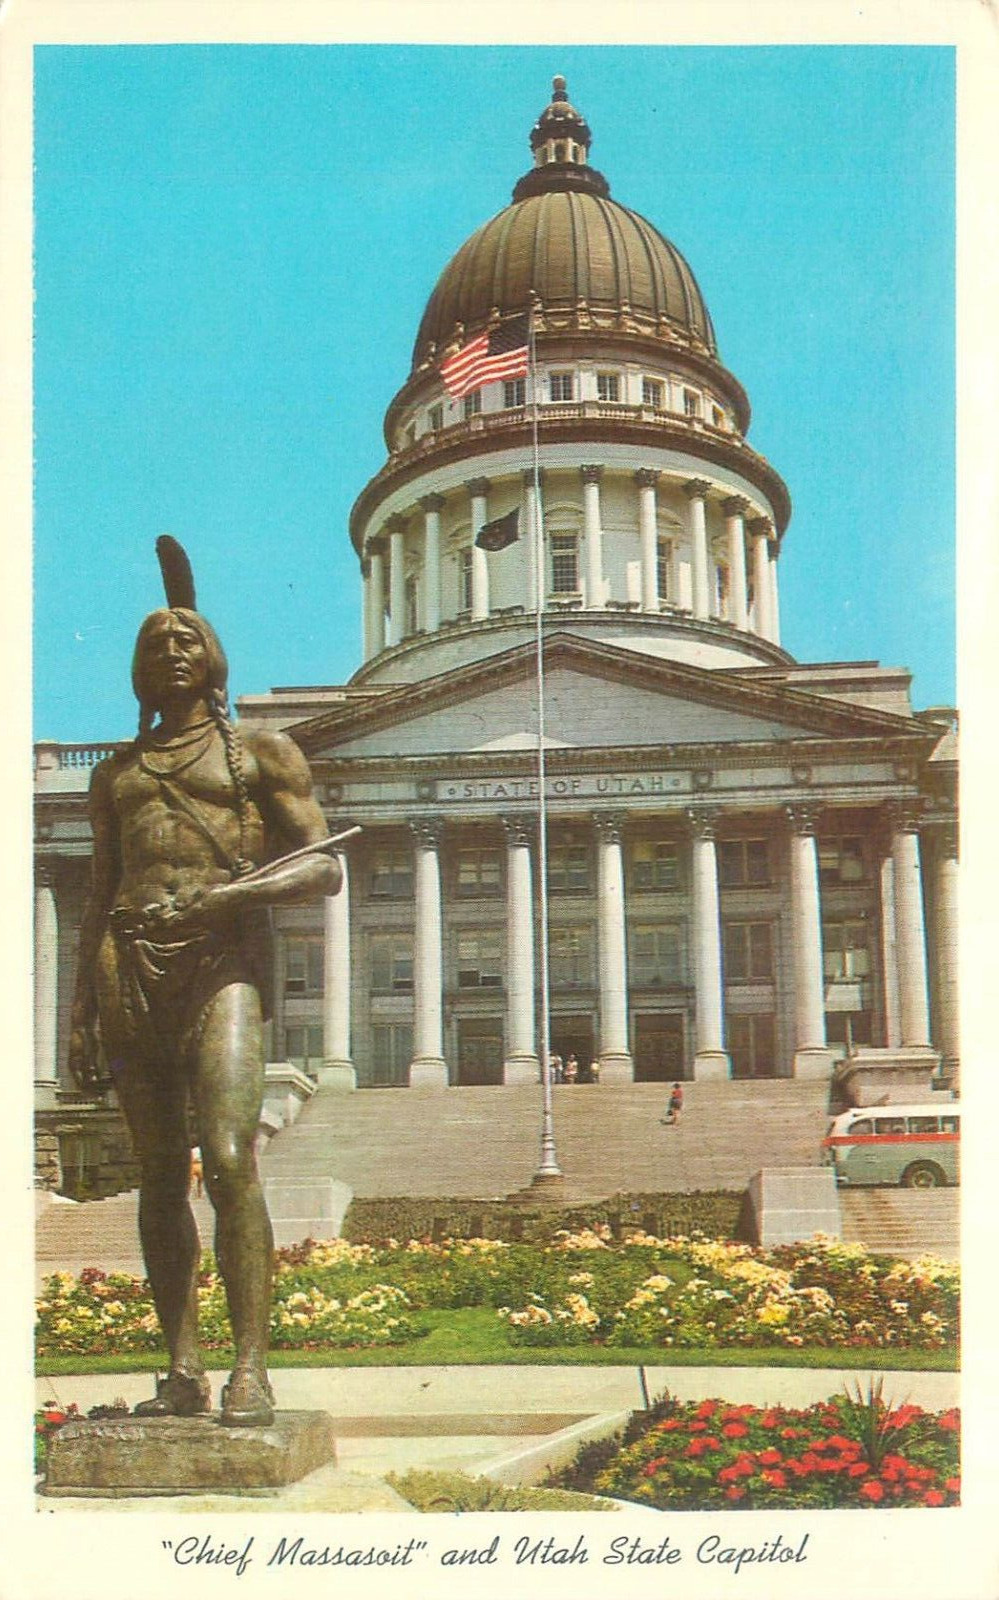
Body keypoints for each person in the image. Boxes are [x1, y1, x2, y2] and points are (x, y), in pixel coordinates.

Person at [68, 558, 340, 1428]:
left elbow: (323, 865)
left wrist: (236, 894)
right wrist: (80, 1010)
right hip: (128, 965)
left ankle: (250, 1369)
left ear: (214, 658)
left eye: (189, 638)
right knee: (156, 1175)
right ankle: (182, 1369)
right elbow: (103, 887)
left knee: (226, 1159)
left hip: (220, 964)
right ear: (140, 669)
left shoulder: (261, 751)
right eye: (157, 643)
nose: (174, 649)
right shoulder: (115, 773)